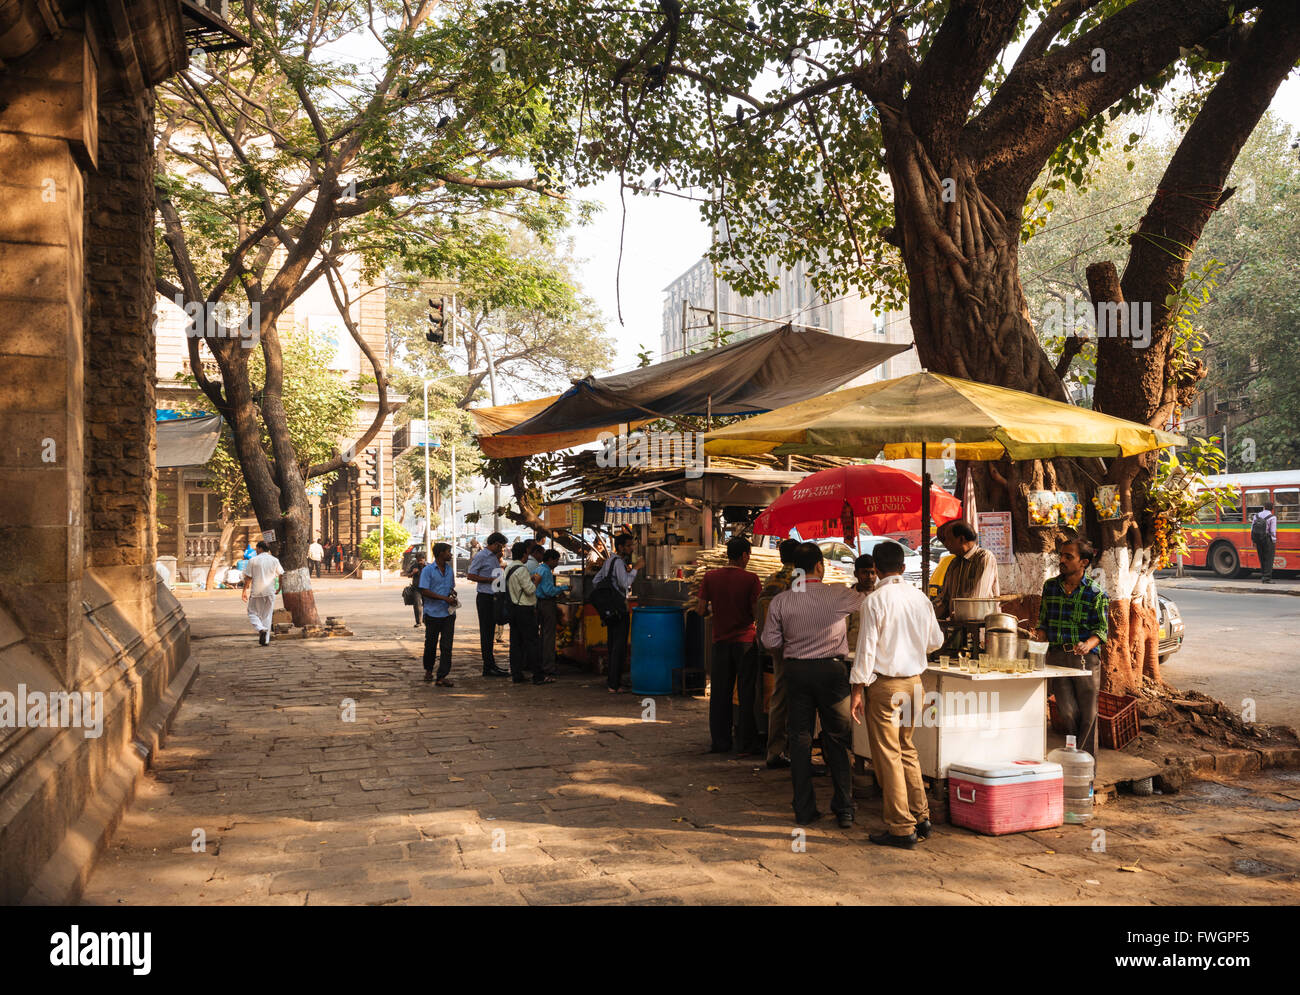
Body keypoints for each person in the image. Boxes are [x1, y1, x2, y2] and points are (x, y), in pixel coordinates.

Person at [762, 542, 865, 828]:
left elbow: (769, 641)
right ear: (820, 566)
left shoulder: (781, 600)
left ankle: (804, 809)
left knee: (800, 738)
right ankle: (844, 808)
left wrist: (792, 641)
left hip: (795, 671)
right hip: (831, 671)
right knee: (837, 738)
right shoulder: (838, 595)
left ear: (796, 569)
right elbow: (867, 601)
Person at [850, 540, 944, 848]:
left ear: (875, 570)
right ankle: (921, 815)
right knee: (906, 748)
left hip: (887, 685)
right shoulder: (920, 599)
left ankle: (902, 827)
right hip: (915, 683)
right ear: (903, 568)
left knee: (889, 756)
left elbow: (865, 651)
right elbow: (935, 641)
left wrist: (857, 689)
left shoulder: (874, 601)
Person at [1032, 537, 1107, 756]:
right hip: (1056, 657)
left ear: (1083, 562)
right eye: (1061, 556)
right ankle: (1076, 755)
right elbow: (1043, 621)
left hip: (1084, 660)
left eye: (1068, 557)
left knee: (1088, 713)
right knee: (1066, 710)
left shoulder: (1095, 593)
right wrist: (1039, 635)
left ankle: (1087, 766)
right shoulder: (1050, 587)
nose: (1062, 560)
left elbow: (1101, 631)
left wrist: (1087, 644)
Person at [697, 536, 763, 754]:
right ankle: (745, 744)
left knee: (719, 692)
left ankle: (720, 742)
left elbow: (700, 609)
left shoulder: (710, 577)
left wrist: (714, 614)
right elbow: (755, 612)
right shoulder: (751, 579)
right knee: (746, 694)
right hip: (745, 643)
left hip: (720, 641)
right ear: (744, 556)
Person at [757, 538, 801, 769]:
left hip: (775, 645)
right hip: (795, 646)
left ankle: (774, 749)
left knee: (779, 697)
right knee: (797, 699)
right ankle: (791, 751)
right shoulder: (799, 579)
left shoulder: (771, 578)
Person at [592, 532, 642, 692]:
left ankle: (612, 682)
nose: (632, 548)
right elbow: (625, 583)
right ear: (620, 547)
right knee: (618, 647)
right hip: (619, 609)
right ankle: (615, 684)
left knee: (613, 645)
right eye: (629, 545)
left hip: (610, 610)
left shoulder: (609, 561)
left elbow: (596, 581)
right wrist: (635, 569)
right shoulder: (619, 563)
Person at [933, 520, 1000, 619]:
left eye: (949, 539)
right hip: (958, 626)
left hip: (980, 626)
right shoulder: (954, 564)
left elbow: (977, 598)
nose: (945, 544)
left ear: (961, 539)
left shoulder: (984, 557)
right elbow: (945, 599)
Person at [466, 532, 510, 677]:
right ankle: (488, 666)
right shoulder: (481, 556)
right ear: (495, 544)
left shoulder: (494, 557)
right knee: (486, 633)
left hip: (494, 597)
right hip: (485, 597)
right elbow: (471, 575)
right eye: (501, 545)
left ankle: (491, 664)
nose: (502, 548)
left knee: (491, 632)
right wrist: (489, 580)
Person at [505, 540, 547, 684]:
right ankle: (538, 675)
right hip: (524, 609)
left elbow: (516, 585)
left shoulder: (509, 567)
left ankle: (517, 674)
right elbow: (530, 590)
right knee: (532, 642)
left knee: (516, 643)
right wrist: (536, 581)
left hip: (513, 608)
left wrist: (528, 580)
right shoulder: (522, 569)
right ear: (525, 554)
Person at [418, 542, 458, 686]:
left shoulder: (449, 570)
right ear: (441, 553)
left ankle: (442, 676)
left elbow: (451, 587)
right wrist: (443, 598)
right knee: (430, 644)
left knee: (447, 646)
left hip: (447, 614)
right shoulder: (428, 570)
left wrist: (452, 596)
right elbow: (424, 590)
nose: (450, 554)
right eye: (448, 551)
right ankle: (428, 669)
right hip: (433, 613)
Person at [241, 541, 283, 646]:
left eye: (256, 548)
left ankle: (261, 629)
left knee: (252, 612)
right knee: (267, 615)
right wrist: (279, 588)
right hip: (270, 591)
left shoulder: (253, 560)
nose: (255, 550)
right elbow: (281, 575)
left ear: (260, 548)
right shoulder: (274, 560)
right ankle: (266, 640)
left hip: (257, 592)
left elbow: (248, 578)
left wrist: (244, 591)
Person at [535, 548, 563, 682]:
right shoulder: (546, 571)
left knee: (543, 636)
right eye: (556, 560)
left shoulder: (540, 569)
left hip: (539, 603)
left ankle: (542, 662)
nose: (557, 563)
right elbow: (548, 591)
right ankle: (548, 666)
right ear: (551, 560)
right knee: (549, 636)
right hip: (546, 604)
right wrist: (563, 589)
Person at [845, 553, 877, 653]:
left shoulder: (882, 596)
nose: (869, 577)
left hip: (877, 651)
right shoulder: (847, 598)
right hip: (853, 651)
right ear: (856, 574)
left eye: (873, 573)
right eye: (865, 572)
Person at [1252, 502, 1277, 583]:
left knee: (1261, 557)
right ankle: (1266, 578)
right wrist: (1273, 540)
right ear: (1272, 509)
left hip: (1258, 539)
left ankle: (1263, 575)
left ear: (1264, 507)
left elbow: (1252, 528)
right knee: (1269, 558)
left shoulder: (1256, 516)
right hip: (1267, 539)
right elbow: (1272, 531)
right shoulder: (1272, 517)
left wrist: (1253, 540)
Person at [406, 552, 427, 627]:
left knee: (427, 604)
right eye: (418, 560)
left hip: (426, 588)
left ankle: (426, 620)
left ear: (424, 559)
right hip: (416, 588)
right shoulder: (414, 566)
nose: (419, 562)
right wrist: (412, 573)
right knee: (417, 604)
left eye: (421, 560)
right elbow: (408, 575)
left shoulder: (429, 566)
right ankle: (418, 622)